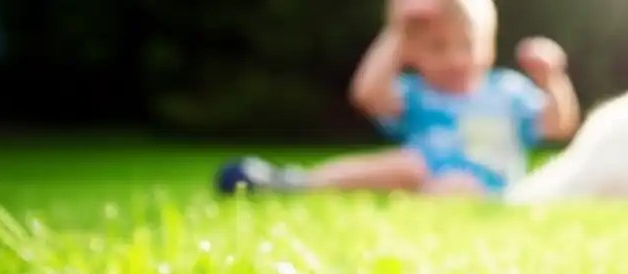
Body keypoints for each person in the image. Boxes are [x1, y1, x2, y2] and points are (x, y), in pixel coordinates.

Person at [216, 0, 579, 197]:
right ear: (411, 53)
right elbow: (367, 95)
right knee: (405, 165)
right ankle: (298, 183)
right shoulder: (418, 93)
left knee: (450, 187)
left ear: (489, 41)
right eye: (437, 47)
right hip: (416, 175)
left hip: (486, 188)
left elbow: (559, 126)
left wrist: (552, 79)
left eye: (467, 44)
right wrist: (394, 34)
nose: (455, 58)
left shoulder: (507, 90)